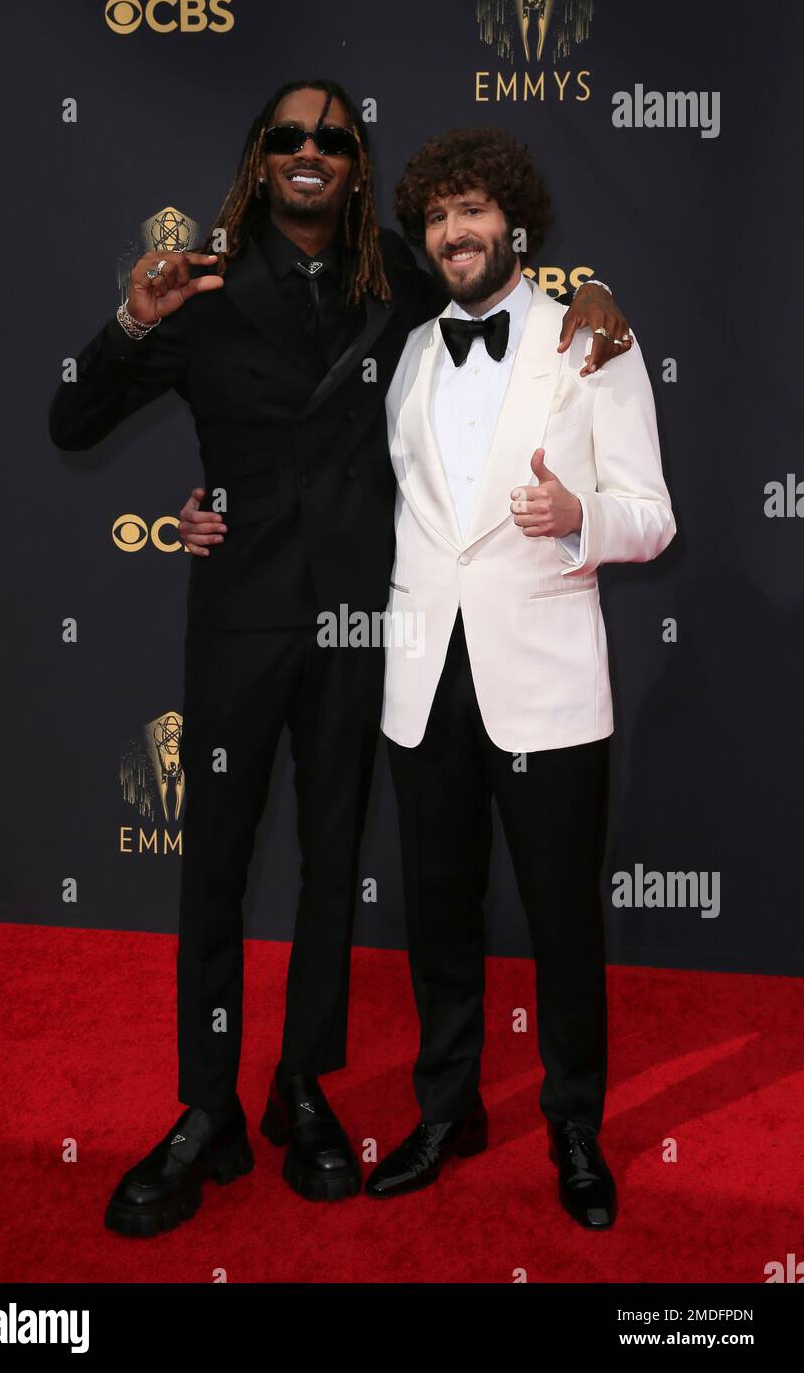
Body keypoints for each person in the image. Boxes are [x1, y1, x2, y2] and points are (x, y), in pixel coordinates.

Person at [49, 80, 629, 1237]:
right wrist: (128, 324)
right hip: (241, 617)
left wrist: (599, 290)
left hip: (364, 629)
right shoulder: (199, 289)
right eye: (287, 137)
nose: (309, 152)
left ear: (357, 164)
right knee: (211, 866)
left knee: (328, 868)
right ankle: (204, 1108)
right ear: (260, 157)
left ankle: (300, 1087)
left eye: (333, 138)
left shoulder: (401, 282)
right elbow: (74, 421)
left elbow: (506, 288)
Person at [356, 127, 675, 1229]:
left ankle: (573, 1126)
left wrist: (580, 516)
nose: (456, 231)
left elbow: (652, 515)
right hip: (421, 676)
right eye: (438, 215)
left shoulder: (591, 338)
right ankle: (447, 1110)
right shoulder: (407, 351)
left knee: (559, 919)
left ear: (514, 222)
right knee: (438, 913)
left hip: (541, 680)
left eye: (474, 209)